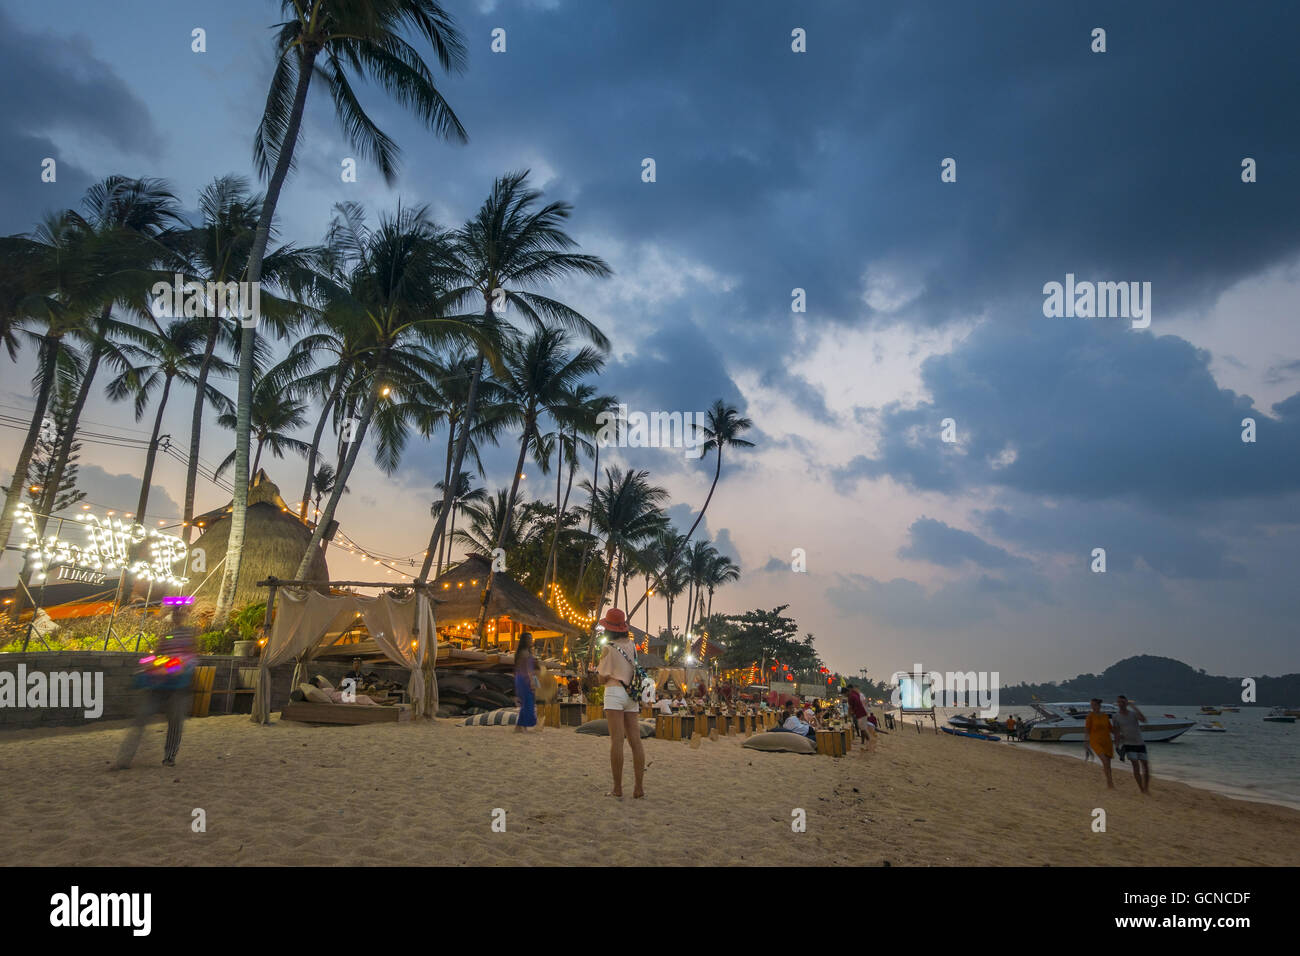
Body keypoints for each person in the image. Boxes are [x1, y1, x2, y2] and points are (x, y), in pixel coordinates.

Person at [115, 600, 197, 769]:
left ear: (185, 615)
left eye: (180, 613)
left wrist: (172, 665)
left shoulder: (190, 634)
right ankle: (125, 758)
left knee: (174, 722)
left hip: (178, 685)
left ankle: (169, 757)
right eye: (175, 613)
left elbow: (191, 658)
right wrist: (152, 664)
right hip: (160, 683)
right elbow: (157, 655)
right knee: (142, 718)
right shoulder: (167, 635)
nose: (177, 616)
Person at [594, 609, 645, 799]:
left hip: (614, 692)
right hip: (631, 694)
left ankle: (617, 789)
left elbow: (601, 678)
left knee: (616, 741)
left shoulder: (607, 647)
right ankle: (638, 788)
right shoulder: (632, 645)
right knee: (635, 741)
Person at [1112, 695, 1150, 793]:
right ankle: (1141, 789)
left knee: (1145, 766)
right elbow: (1116, 732)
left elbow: (1144, 720)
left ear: (1126, 703)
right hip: (1128, 744)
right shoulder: (1116, 716)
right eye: (1119, 702)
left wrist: (1134, 706)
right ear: (1117, 704)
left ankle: (1146, 788)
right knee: (1136, 766)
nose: (1121, 704)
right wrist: (1116, 746)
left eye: (1123, 702)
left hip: (1140, 743)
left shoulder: (1133, 714)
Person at [1084, 698, 1115, 788]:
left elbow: (1110, 728)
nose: (1092, 707)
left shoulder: (1105, 716)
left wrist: (1119, 736)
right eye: (1092, 705)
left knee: (1108, 764)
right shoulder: (1090, 716)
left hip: (1107, 741)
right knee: (1105, 761)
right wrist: (1086, 741)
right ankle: (1110, 783)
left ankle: (1110, 782)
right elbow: (1087, 729)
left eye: (1094, 705)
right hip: (1095, 741)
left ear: (1099, 705)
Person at [513, 632, 539, 733]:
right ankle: (522, 726)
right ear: (525, 641)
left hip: (520, 679)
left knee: (526, 703)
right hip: (525, 679)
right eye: (529, 639)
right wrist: (533, 682)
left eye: (531, 639)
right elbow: (528, 670)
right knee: (528, 703)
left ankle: (519, 726)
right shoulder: (525, 653)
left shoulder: (521, 652)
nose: (531, 641)